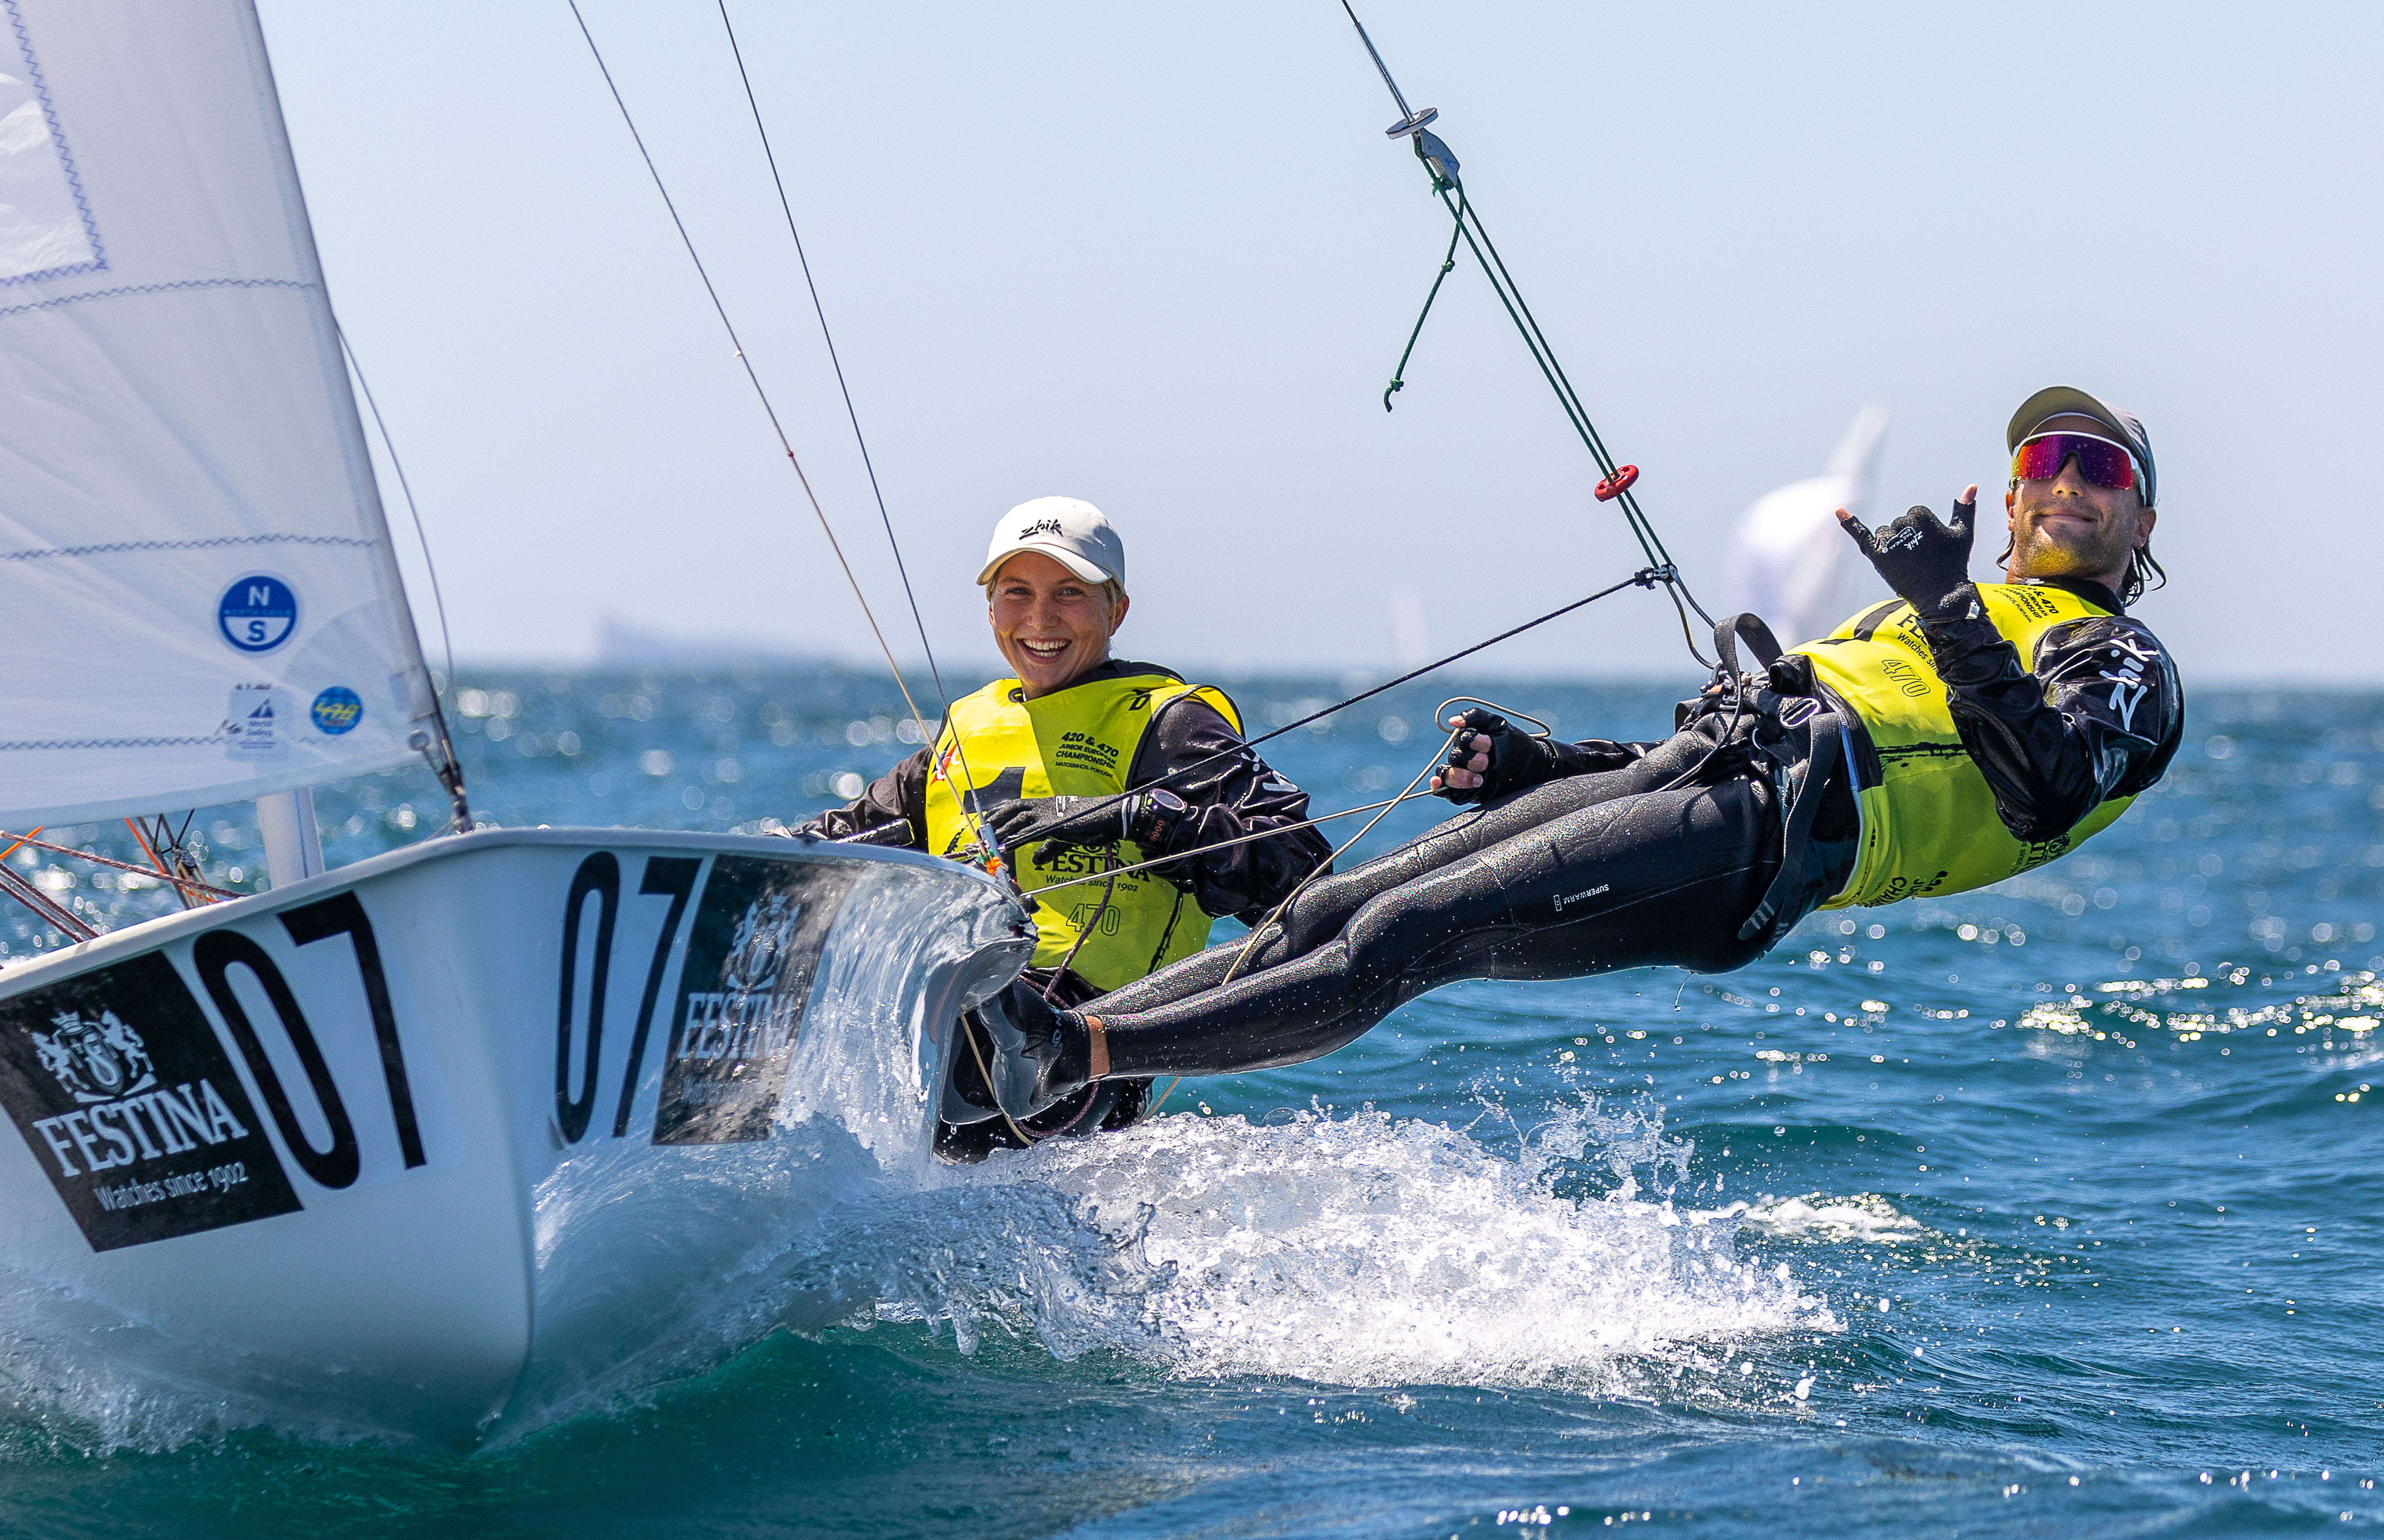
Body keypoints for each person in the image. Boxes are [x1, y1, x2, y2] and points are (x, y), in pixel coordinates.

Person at [976, 386, 2182, 1112]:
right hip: (1707, 777)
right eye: (2044, 462)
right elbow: (1739, 728)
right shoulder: (1927, 613)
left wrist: (1952, 605)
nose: (2064, 483)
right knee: (1329, 905)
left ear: (2139, 519)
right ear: (2014, 496)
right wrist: (1544, 770)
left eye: (2100, 469)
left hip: (1771, 843)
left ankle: (1069, 1051)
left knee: (1402, 940)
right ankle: (1047, 1055)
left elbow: (2048, 790)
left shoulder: (2119, 655)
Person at [800, 495, 1330, 1154]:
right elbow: (843, 839)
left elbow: (1304, 872)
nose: (1040, 619)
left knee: (973, 1018)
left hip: (1077, 1049)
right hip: (946, 1019)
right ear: (990, 608)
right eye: (1016, 593)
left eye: (1070, 594)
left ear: (1117, 609)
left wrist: (1135, 819)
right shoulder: (967, 726)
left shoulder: (1168, 723)